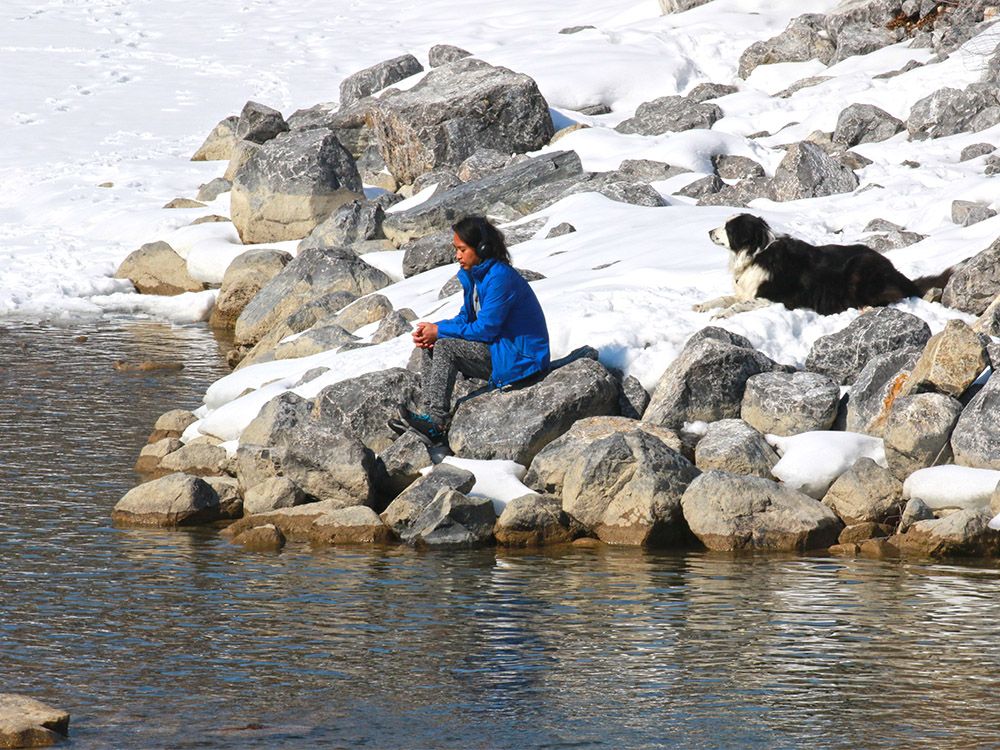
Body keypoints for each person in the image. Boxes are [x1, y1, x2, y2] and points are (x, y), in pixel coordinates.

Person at [394, 215, 550, 444]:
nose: (457, 256)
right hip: (500, 350)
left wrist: (439, 332)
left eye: (462, 249)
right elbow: (465, 318)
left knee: (445, 346)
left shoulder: (500, 278)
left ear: (482, 248)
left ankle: (436, 423)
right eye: (456, 249)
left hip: (521, 358)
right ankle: (429, 417)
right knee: (434, 343)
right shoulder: (478, 277)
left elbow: (486, 329)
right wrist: (434, 330)